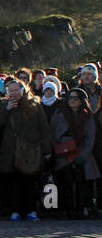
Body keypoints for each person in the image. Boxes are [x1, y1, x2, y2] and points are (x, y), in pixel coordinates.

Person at [0, 79, 53, 221]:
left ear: (22, 90)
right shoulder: (3, 105)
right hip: (10, 150)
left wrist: (47, 149)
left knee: (30, 181)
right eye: (10, 91)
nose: (13, 93)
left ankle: (31, 210)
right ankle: (15, 210)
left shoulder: (34, 105)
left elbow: (44, 129)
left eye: (16, 90)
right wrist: (6, 110)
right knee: (13, 182)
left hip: (30, 149)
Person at [51, 88, 96, 219]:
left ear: (81, 100)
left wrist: (84, 154)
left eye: (75, 98)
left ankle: (81, 209)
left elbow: (90, 136)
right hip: (63, 152)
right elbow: (52, 131)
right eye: (70, 98)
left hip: (82, 150)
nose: (72, 101)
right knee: (66, 182)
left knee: (82, 183)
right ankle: (68, 209)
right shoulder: (60, 113)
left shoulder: (87, 114)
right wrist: (58, 149)